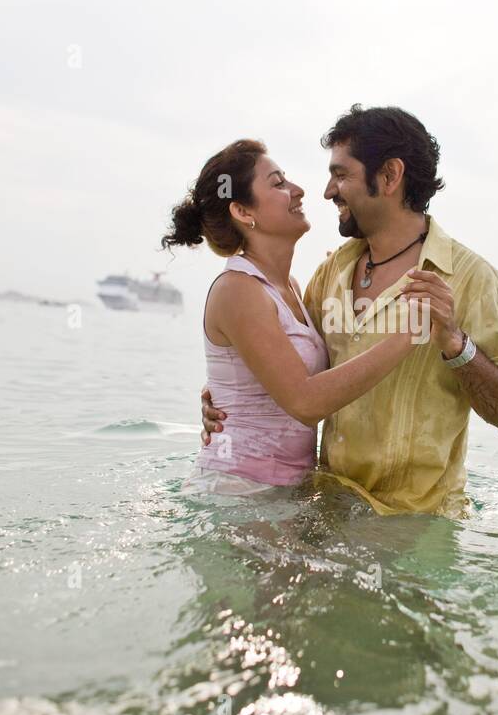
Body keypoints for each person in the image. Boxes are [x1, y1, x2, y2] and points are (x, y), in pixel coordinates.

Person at [202, 106, 498, 516]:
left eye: (342, 175)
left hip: (414, 525)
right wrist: (228, 401)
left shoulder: (471, 280)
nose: (326, 191)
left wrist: (455, 343)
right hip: (326, 512)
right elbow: (293, 372)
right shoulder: (330, 273)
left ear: (390, 176)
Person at [163, 138, 424, 495]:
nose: (299, 190)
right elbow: (305, 401)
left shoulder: (293, 289)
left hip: (280, 495)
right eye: (278, 183)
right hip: (236, 492)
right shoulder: (237, 289)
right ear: (242, 212)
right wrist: (410, 334)